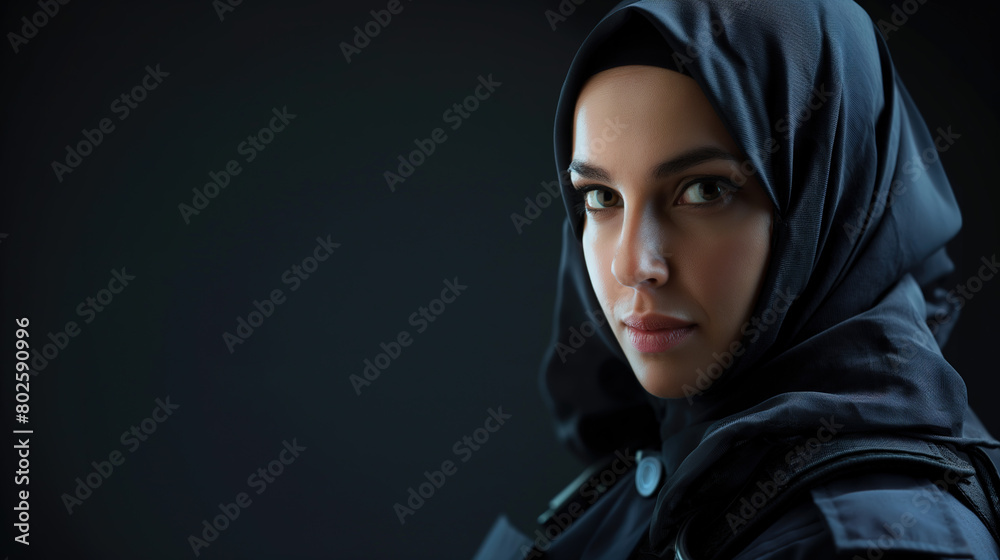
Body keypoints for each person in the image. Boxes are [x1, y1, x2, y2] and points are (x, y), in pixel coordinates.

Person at [472, 0, 1000, 559]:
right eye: (601, 198)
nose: (633, 265)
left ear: (830, 198)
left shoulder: (874, 540)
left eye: (705, 190)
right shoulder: (659, 461)